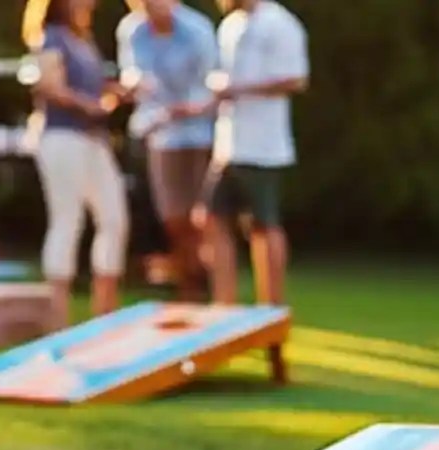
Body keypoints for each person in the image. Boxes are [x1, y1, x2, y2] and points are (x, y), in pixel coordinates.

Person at [175, 0, 308, 307]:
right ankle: (224, 305)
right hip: (228, 145)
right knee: (208, 217)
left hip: (264, 147)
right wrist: (201, 106)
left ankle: (272, 307)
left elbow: (296, 79)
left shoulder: (279, 23)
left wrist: (240, 90)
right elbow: (225, 84)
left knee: (263, 225)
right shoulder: (230, 26)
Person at [23, 0, 131, 330]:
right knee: (67, 219)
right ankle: (57, 318)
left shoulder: (83, 41)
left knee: (114, 219)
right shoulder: (51, 38)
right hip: (61, 138)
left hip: (92, 140)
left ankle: (105, 314)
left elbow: (94, 86)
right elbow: (50, 87)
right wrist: (91, 106)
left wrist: (119, 93)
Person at [118, 0, 218, 301]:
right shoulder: (133, 30)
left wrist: (189, 108)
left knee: (202, 215)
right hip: (161, 133)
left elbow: (212, 79)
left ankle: (204, 280)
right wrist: (135, 85)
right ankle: (187, 278)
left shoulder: (197, 29)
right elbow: (131, 72)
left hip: (199, 129)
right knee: (173, 216)